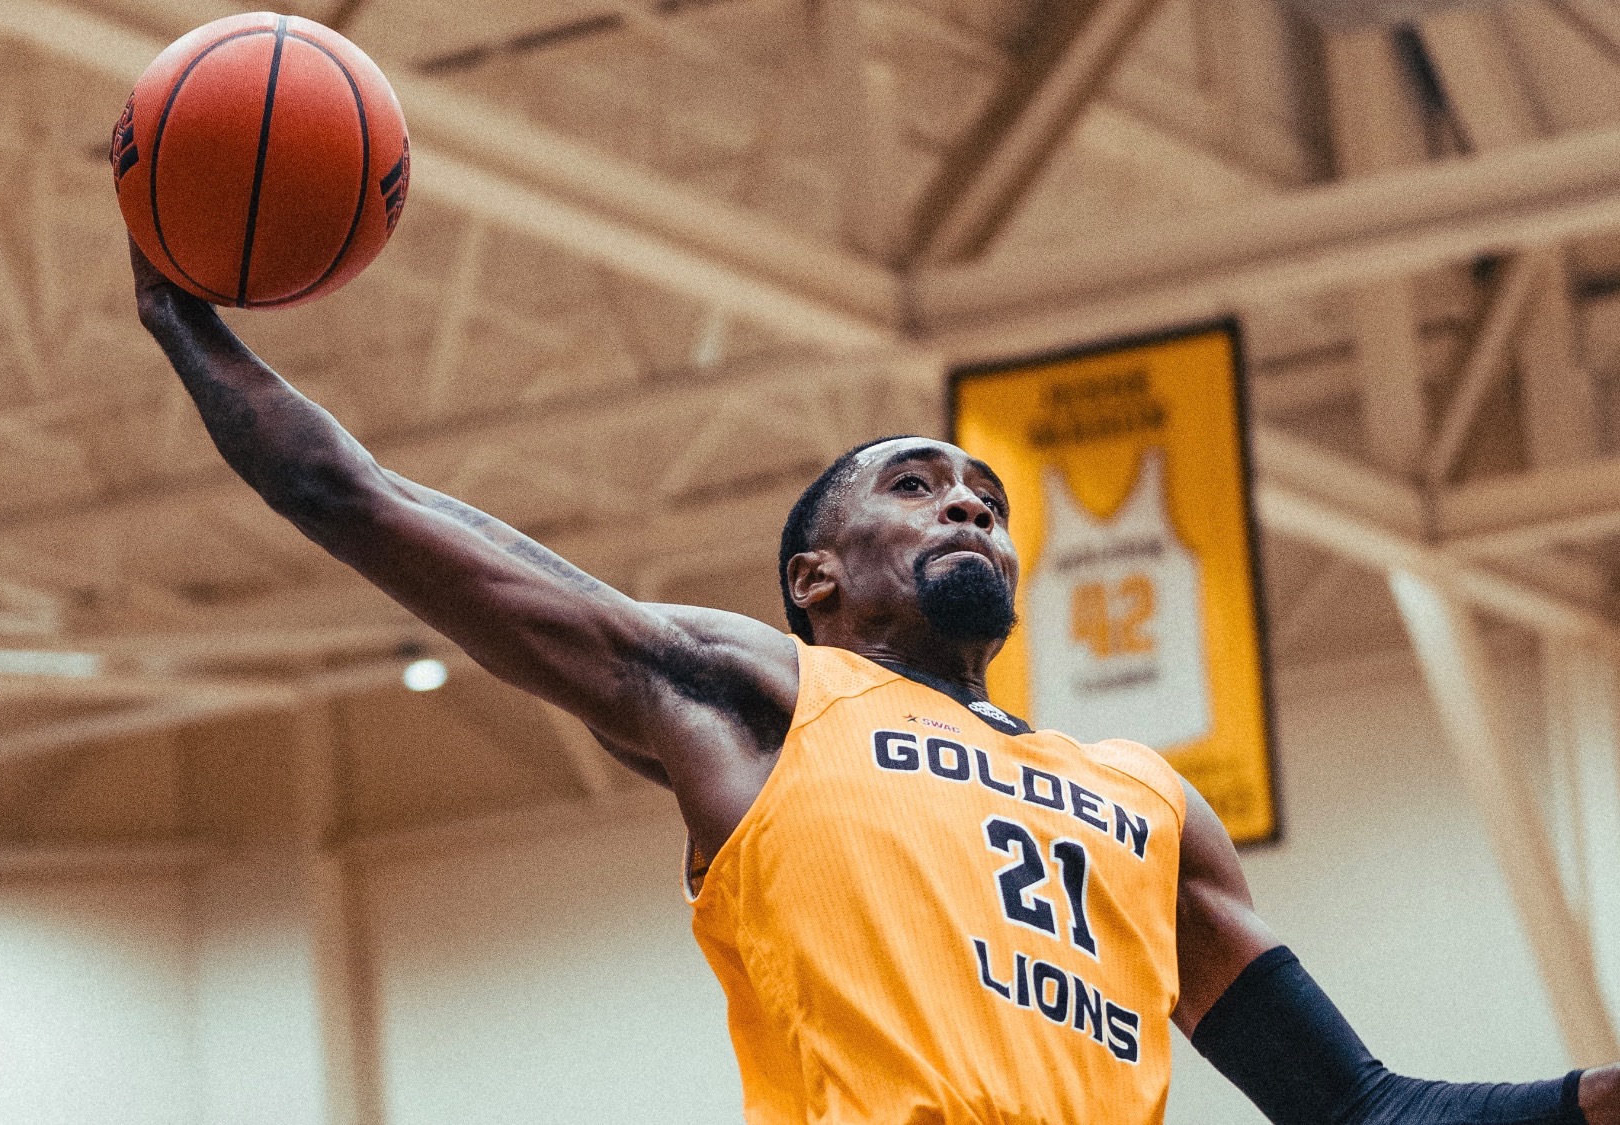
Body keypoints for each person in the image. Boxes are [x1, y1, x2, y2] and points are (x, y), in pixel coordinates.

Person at [130, 239, 1615, 1125]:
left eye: (985, 492)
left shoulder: (1145, 803)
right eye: (916, 485)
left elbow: (1358, 1107)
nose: (968, 501)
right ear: (815, 576)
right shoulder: (752, 698)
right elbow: (354, 496)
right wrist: (186, 327)